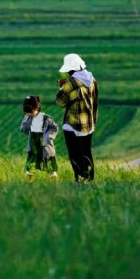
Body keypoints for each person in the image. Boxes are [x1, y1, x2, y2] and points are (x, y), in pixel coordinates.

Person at [56, 52, 99, 183]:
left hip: (73, 124)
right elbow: (95, 100)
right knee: (86, 153)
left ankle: (79, 180)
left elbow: (60, 102)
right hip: (89, 124)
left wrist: (61, 87)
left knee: (75, 155)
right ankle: (90, 179)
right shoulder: (92, 79)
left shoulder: (71, 82)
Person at [20, 94, 59, 177]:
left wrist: (48, 137)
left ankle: (55, 185)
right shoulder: (28, 118)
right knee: (30, 168)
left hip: (45, 146)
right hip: (33, 146)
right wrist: (26, 119)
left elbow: (55, 128)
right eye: (26, 112)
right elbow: (23, 129)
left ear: (37, 108)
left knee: (50, 167)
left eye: (31, 112)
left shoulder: (46, 118)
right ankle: (29, 184)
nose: (29, 114)